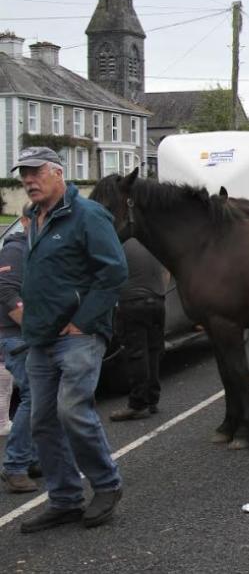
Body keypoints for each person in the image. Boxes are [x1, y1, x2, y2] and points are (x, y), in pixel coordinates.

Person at [13, 147, 127, 532]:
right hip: (40, 336)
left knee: (72, 410)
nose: (28, 180)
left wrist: (83, 321)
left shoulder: (87, 215)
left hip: (78, 335)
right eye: (23, 175)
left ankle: (107, 485)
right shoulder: (32, 217)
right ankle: (64, 499)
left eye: (35, 173)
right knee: (41, 421)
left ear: (58, 174)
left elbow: (113, 272)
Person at [0, 208, 39, 494]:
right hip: (15, 337)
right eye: (36, 219)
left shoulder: (35, 247)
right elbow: (8, 294)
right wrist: (34, 331)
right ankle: (14, 466)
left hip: (25, 336)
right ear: (25, 221)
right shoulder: (15, 249)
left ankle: (32, 457)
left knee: (41, 396)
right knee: (33, 395)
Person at [109, 239, 168, 422]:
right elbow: (166, 271)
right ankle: (151, 399)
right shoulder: (150, 240)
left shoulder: (117, 243)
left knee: (136, 354)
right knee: (152, 350)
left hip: (132, 303)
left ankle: (138, 404)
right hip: (156, 301)